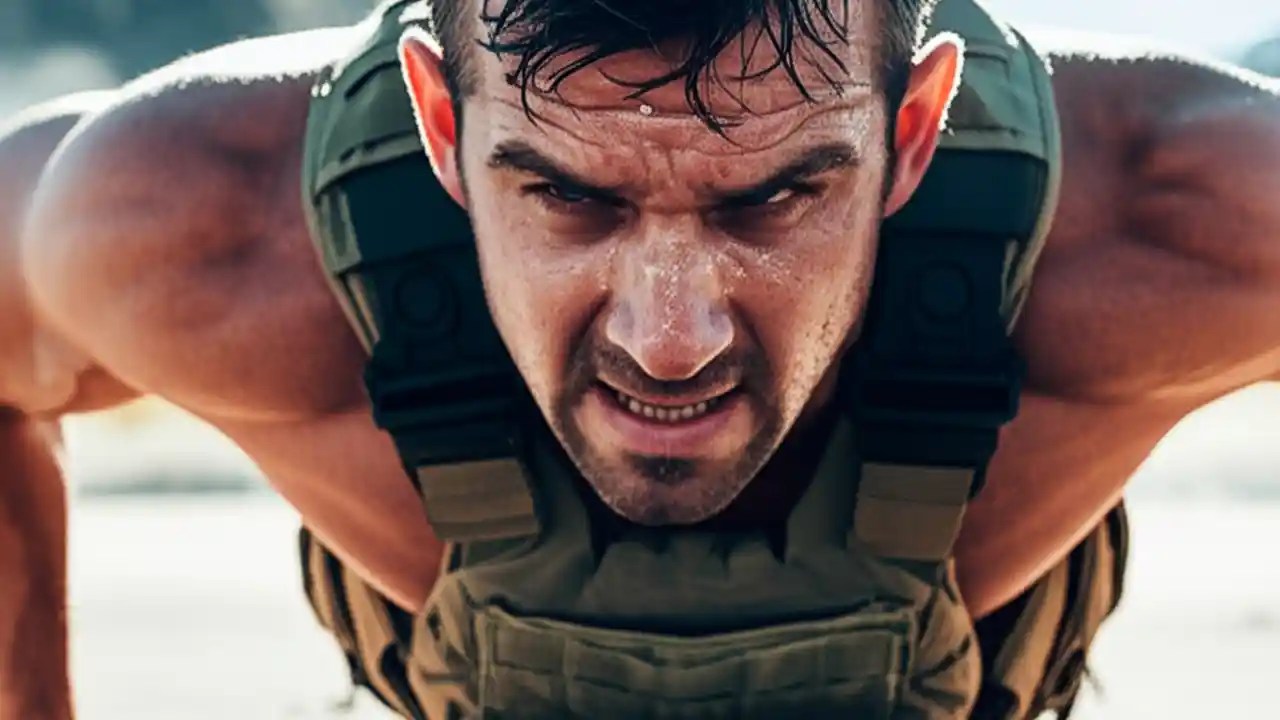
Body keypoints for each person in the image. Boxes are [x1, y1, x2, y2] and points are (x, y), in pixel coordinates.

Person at [1, 0, 1277, 717]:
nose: (668, 341)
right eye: (567, 197)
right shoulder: (192, 224)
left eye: (772, 200)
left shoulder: (1178, 217)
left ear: (915, 125)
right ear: (441, 126)